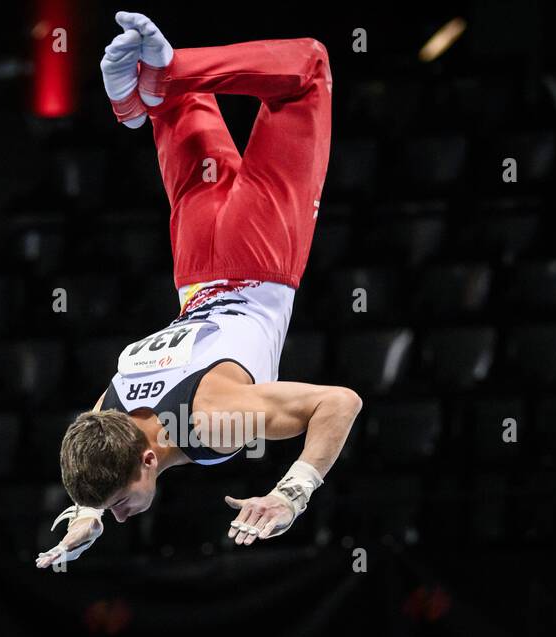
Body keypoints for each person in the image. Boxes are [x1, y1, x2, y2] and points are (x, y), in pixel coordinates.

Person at [36, 11, 361, 569]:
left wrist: (292, 493)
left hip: (259, 258)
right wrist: (84, 512)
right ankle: (144, 97)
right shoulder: (110, 410)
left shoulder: (209, 423)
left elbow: (340, 402)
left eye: (116, 505)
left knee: (307, 71)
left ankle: (166, 77)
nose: (120, 516)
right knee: (183, 104)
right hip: (194, 265)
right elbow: (92, 438)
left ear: (144, 458)